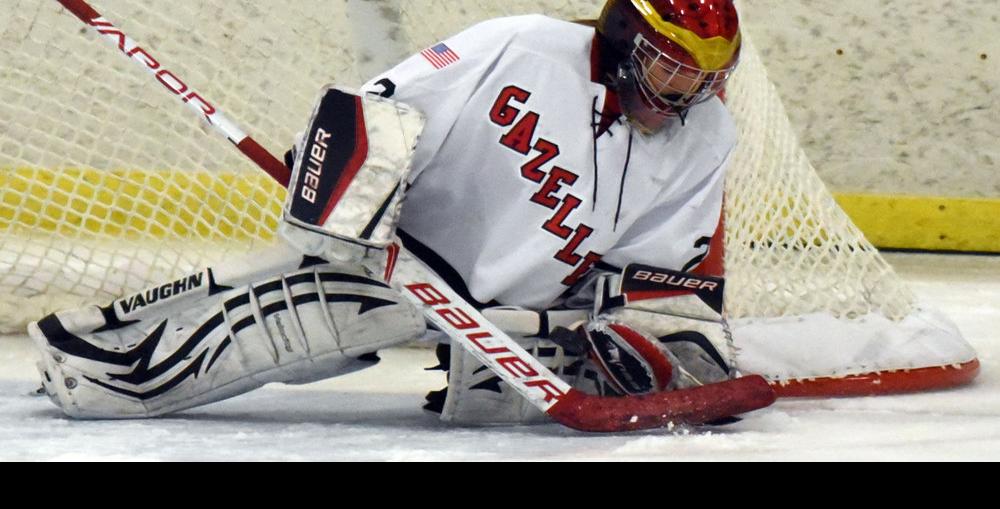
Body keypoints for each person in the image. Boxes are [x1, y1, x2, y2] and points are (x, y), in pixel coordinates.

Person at [30, 0, 745, 425]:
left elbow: (658, 266)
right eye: (672, 68)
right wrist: (345, 190)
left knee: (572, 380)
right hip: (401, 254)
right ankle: (93, 360)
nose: (686, 94)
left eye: (707, 77)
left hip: (523, 312)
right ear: (625, 36)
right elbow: (376, 105)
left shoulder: (707, 133)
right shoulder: (520, 45)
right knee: (289, 330)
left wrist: (642, 333)